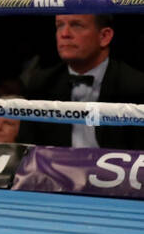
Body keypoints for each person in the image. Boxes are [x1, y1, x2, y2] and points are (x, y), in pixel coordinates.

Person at [20, 14, 144, 149]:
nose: (65, 34)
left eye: (76, 25)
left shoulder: (135, 85)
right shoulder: (42, 83)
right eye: (60, 25)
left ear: (104, 36)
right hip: (57, 168)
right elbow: (28, 152)